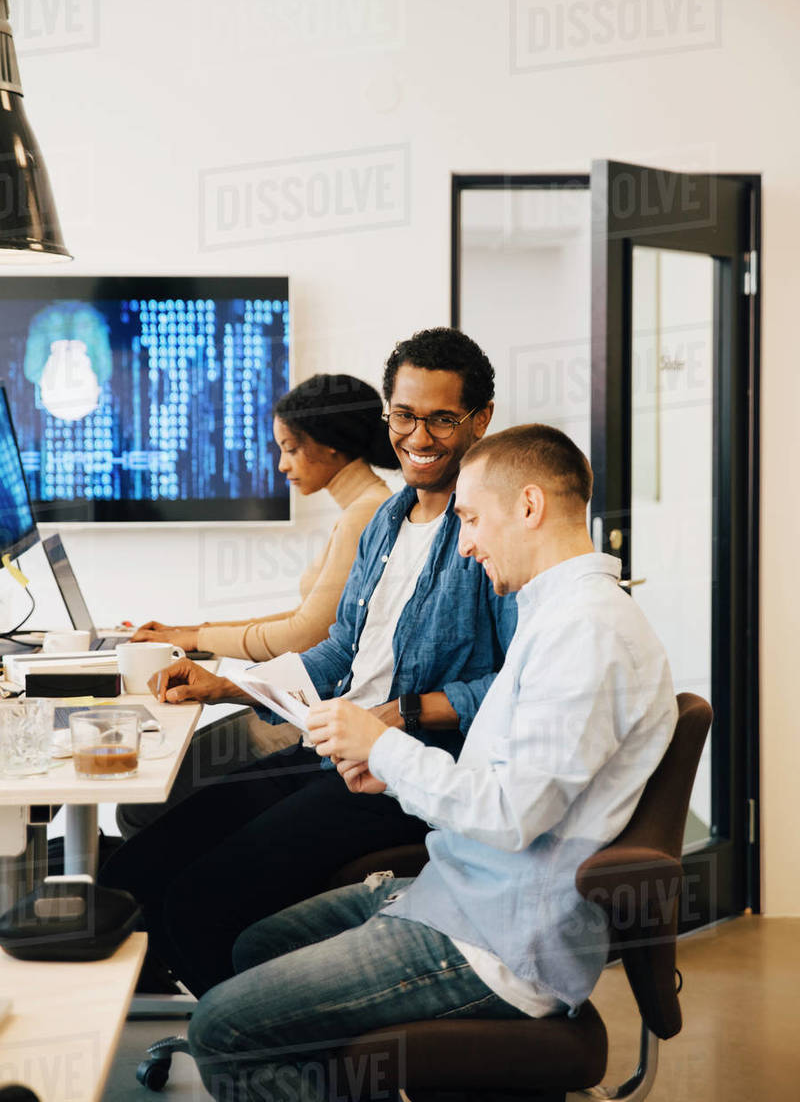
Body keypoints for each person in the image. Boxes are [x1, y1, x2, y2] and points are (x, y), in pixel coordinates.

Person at [186, 423, 678, 1102]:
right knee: (255, 947)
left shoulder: (587, 631)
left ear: (529, 506)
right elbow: (500, 783)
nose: (465, 543)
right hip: (463, 891)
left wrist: (385, 745)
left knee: (220, 1028)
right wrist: (389, 769)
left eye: (471, 519)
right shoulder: (555, 613)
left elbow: (512, 815)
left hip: (499, 941)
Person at [99, 328, 518, 998]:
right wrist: (228, 685)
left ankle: (258, 1041)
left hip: (406, 774)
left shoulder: (494, 531)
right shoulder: (388, 520)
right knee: (135, 871)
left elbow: (518, 681)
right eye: (404, 416)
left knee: (197, 905)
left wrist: (405, 713)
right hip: (329, 750)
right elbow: (340, 651)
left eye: (442, 419)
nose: (419, 437)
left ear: (480, 419)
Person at [115, 374, 395, 839]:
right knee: (150, 796)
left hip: (314, 714)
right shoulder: (363, 508)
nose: (282, 465)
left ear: (329, 445)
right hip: (308, 703)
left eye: (290, 449)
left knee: (143, 806)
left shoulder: (367, 513)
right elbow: (305, 618)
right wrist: (193, 632)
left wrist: (197, 637)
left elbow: (306, 634)